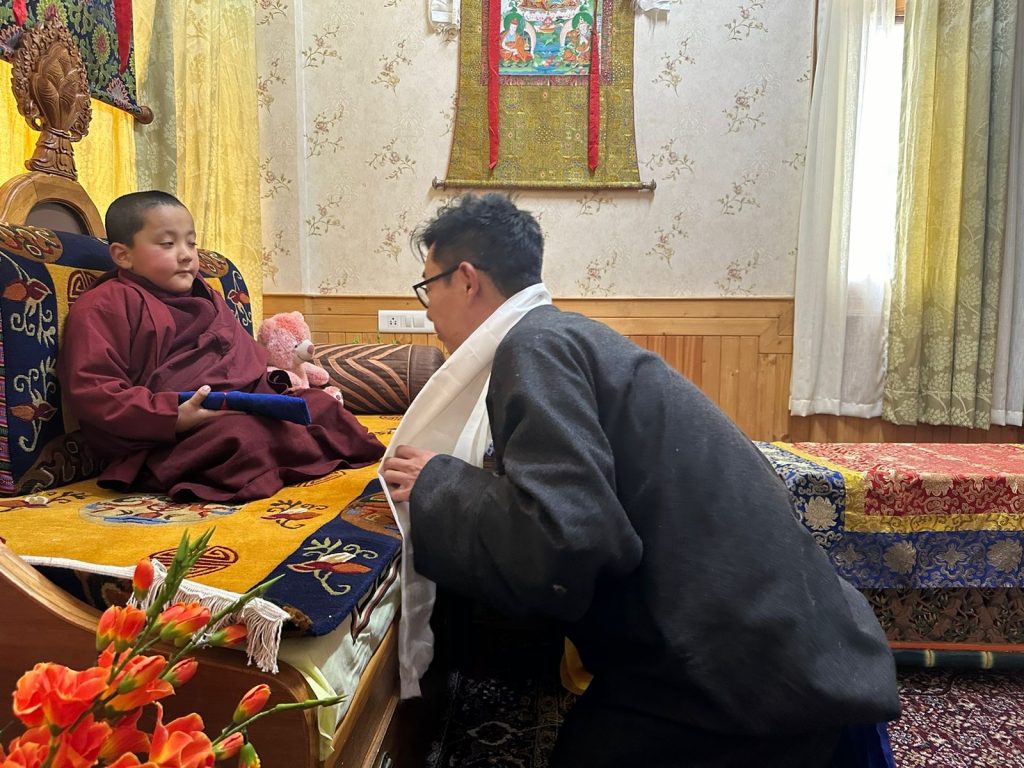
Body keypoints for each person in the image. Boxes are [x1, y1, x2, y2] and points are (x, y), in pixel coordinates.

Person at [380, 193, 900, 767]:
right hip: (797, 643)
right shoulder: (561, 335)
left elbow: (570, 536)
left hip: (744, 679)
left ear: (468, 279)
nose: (427, 310)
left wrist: (439, 485)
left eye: (428, 287)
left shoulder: (534, 346)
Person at [57, 190, 384, 502]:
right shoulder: (104, 305)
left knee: (320, 407)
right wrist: (174, 416)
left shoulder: (204, 293)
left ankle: (287, 450)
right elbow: (95, 392)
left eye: (191, 242)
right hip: (165, 434)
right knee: (245, 438)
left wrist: (268, 391)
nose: (186, 254)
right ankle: (284, 455)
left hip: (238, 403)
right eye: (168, 244)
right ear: (123, 255)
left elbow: (241, 356)